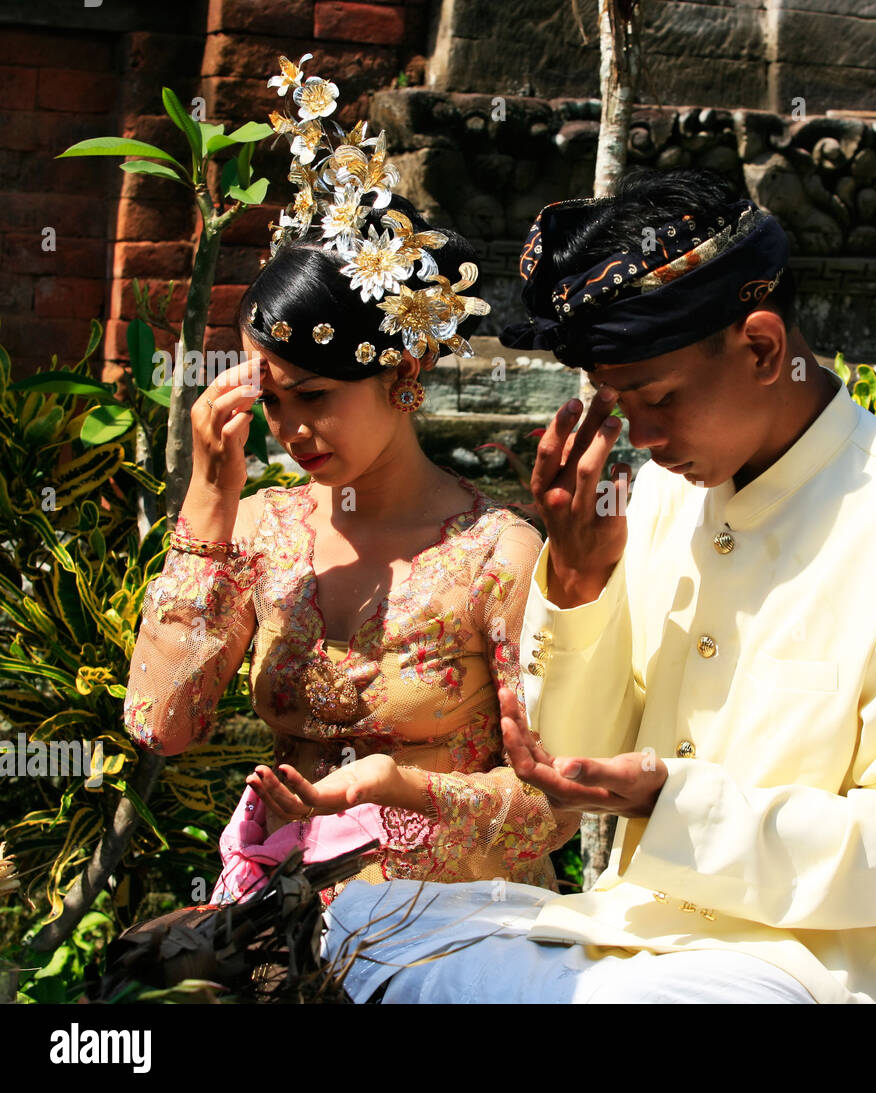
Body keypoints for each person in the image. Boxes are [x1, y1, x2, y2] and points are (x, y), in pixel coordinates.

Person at [320, 167, 876, 1003]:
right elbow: (569, 773)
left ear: (761, 347)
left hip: (825, 972)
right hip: (632, 939)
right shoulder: (662, 500)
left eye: (656, 398)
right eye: (618, 403)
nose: (641, 437)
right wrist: (579, 581)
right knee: (356, 925)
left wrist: (676, 803)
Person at [121, 56, 580, 910]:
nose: (293, 431)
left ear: (402, 372)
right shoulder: (261, 531)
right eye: (275, 399)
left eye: (319, 397)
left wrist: (398, 791)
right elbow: (161, 725)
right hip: (281, 930)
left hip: (458, 938)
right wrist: (206, 507)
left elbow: (555, 806)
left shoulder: (497, 556)